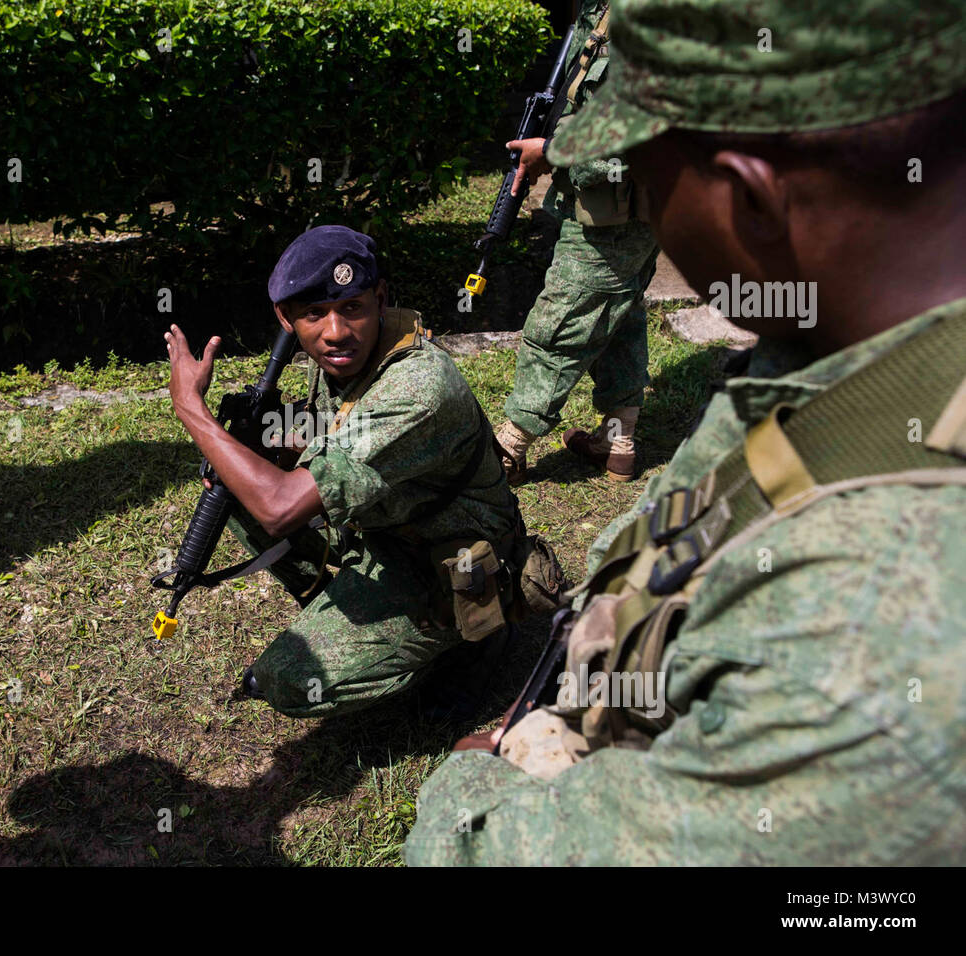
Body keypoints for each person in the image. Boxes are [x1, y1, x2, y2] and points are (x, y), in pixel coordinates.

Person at [405, 0, 966, 864]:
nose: (649, 218)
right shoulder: (829, 339)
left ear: (748, 199)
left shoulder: (861, 652)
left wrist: (468, 790)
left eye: (649, 180)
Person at [164, 225, 533, 717]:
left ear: (380, 299)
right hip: (385, 528)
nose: (336, 331)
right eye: (314, 313)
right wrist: (267, 443)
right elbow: (326, 426)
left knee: (289, 680)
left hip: (449, 562)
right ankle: (346, 613)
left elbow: (279, 508)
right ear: (286, 318)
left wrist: (190, 407)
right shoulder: (346, 357)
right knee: (233, 487)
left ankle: (475, 634)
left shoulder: (418, 387)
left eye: (352, 307)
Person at [493, 0, 659, 484]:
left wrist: (554, 150)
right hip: (618, 200)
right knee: (620, 314)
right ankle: (618, 439)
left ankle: (508, 449)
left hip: (622, 207)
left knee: (561, 321)